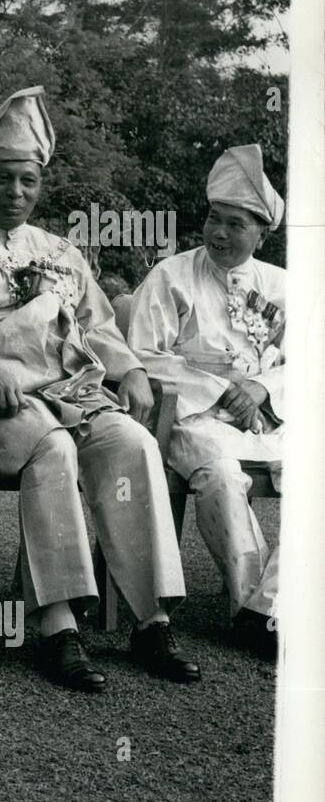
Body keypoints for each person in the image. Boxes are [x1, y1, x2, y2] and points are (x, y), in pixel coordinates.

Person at [0, 86, 200, 691]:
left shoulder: (62, 252)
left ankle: (152, 621)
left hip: (74, 390)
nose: (16, 193)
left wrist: (135, 371)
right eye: (3, 179)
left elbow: (99, 325)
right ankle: (59, 625)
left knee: (132, 443)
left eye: (29, 182)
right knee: (55, 448)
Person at [128, 144, 285, 659]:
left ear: (261, 232)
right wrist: (221, 389)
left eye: (236, 225)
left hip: (269, 418)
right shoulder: (171, 277)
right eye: (214, 220)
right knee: (220, 473)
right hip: (193, 417)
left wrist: (264, 389)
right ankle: (252, 611)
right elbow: (143, 356)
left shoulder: (285, 286)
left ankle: (269, 607)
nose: (219, 233)